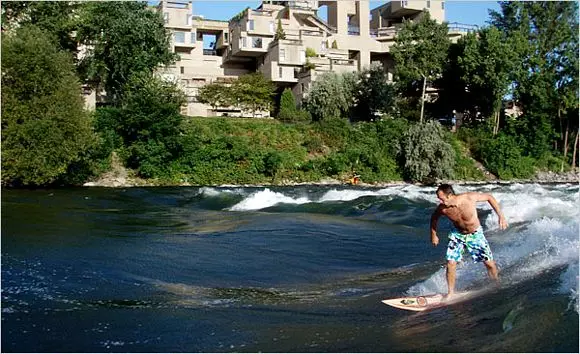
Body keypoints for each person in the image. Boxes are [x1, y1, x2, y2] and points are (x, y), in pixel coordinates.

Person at [430, 184, 508, 297]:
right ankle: (450, 293)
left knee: (489, 263)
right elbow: (434, 218)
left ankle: (496, 283)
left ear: (450, 195)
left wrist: (501, 216)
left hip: (475, 234)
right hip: (457, 235)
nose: (440, 201)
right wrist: (433, 235)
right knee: (451, 263)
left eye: (441, 198)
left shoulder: (469, 197)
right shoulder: (442, 208)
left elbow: (489, 197)